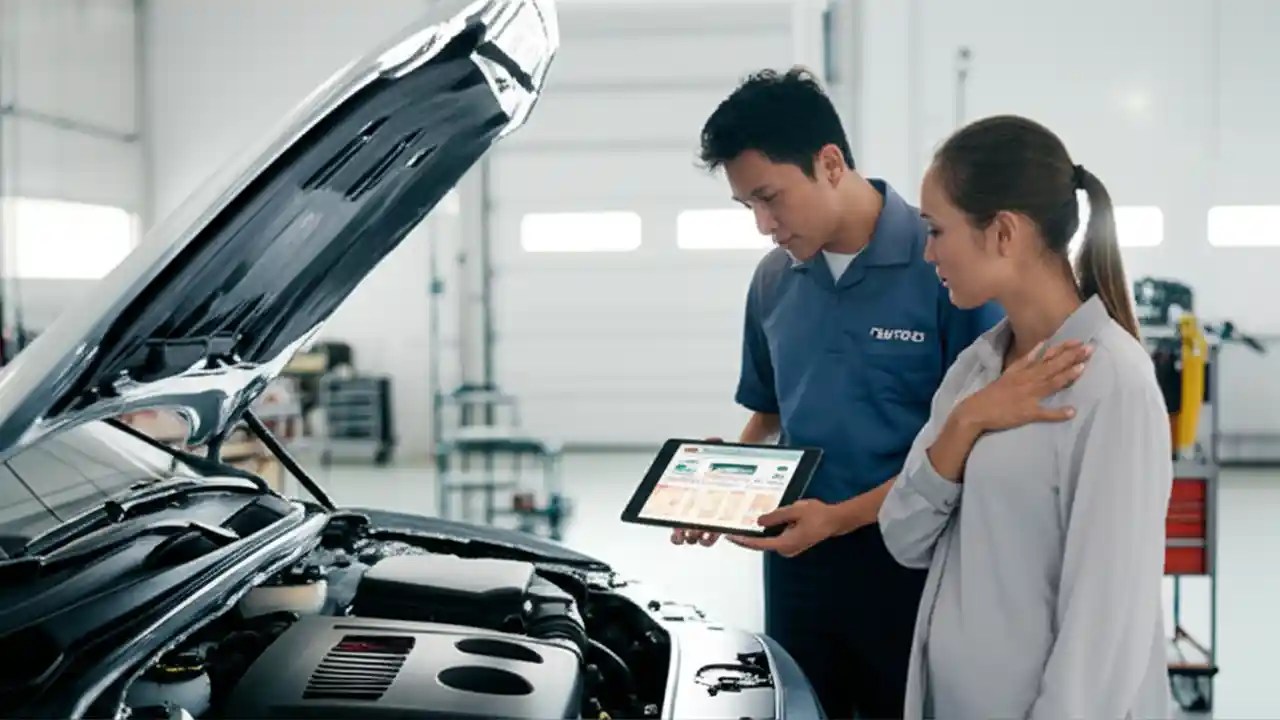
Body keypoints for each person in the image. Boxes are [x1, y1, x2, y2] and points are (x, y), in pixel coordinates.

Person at [670, 67, 1004, 719]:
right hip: (797, 565)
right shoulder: (773, 281)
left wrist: (840, 517)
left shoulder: (943, 266)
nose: (764, 225)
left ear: (829, 163)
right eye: (748, 208)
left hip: (908, 564)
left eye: (771, 198)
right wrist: (725, 484)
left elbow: (973, 439)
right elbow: (769, 412)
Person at [877, 114, 1173, 720]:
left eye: (937, 230)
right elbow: (903, 536)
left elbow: (1105, 631)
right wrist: (965, 425)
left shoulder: (1113, 383)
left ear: (1003, 232)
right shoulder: (977, 370)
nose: (928, 251)